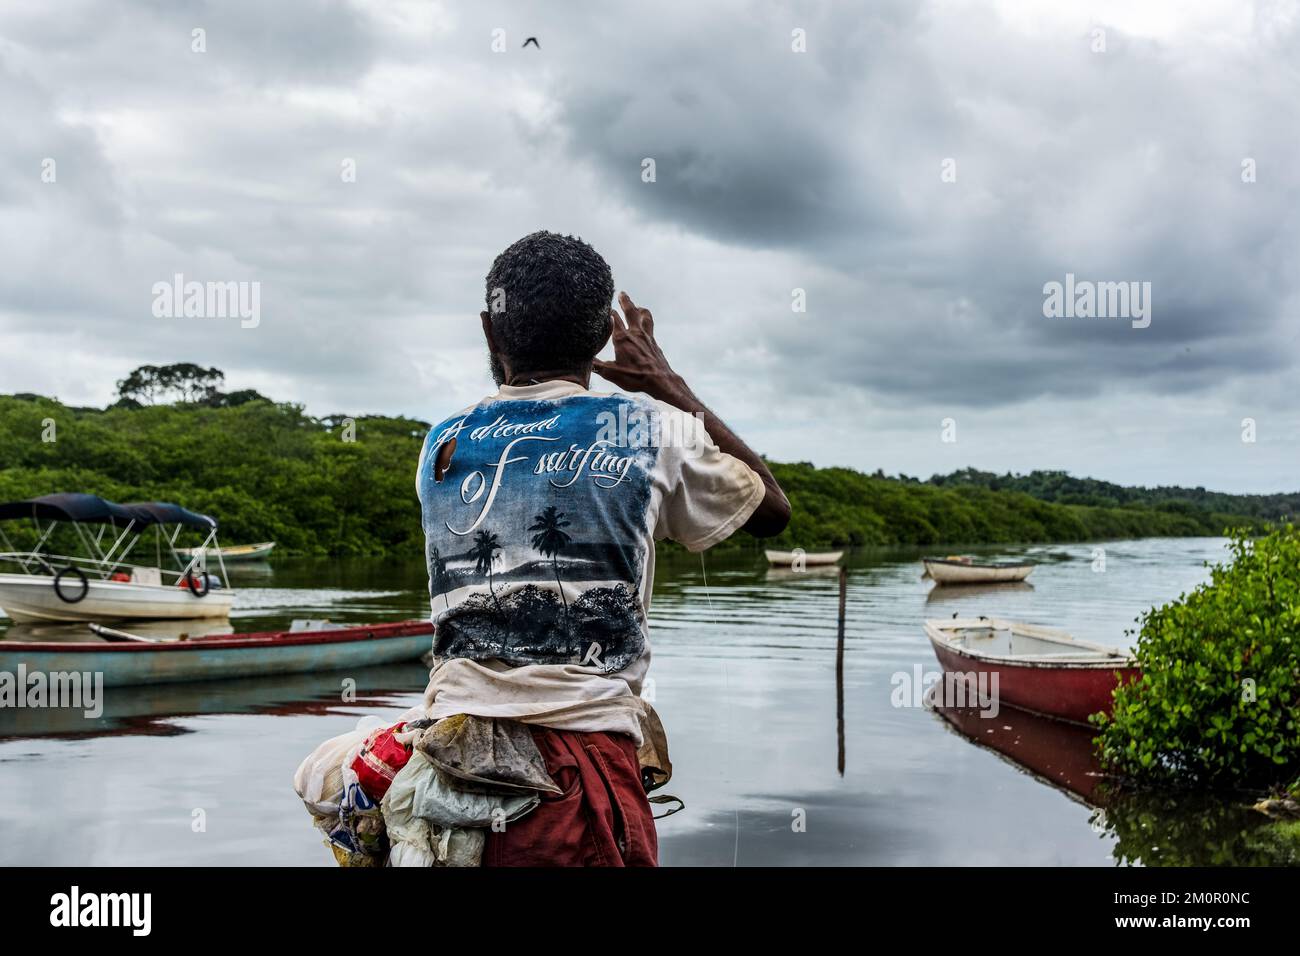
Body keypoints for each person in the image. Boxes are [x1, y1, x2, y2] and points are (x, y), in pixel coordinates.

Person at [415, 230, 790, 866]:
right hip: (578, 774)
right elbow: (772, 511)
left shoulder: (441, 443)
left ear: (489, 330)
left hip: (446, 764)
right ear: (600, 340)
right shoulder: (651, 429)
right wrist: (665, 380)